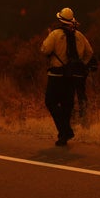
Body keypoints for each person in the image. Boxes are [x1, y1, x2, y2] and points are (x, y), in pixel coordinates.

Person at [40, 7, 94, 146]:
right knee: (67, 105)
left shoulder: (55, 34)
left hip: (56, 74)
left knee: (50, 102)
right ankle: (63, 136)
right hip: (73, 76)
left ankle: (65, 130)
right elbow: (89, 53)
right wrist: (80, 65)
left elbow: (44, 49)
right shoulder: (79, 35)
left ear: (60, 20)